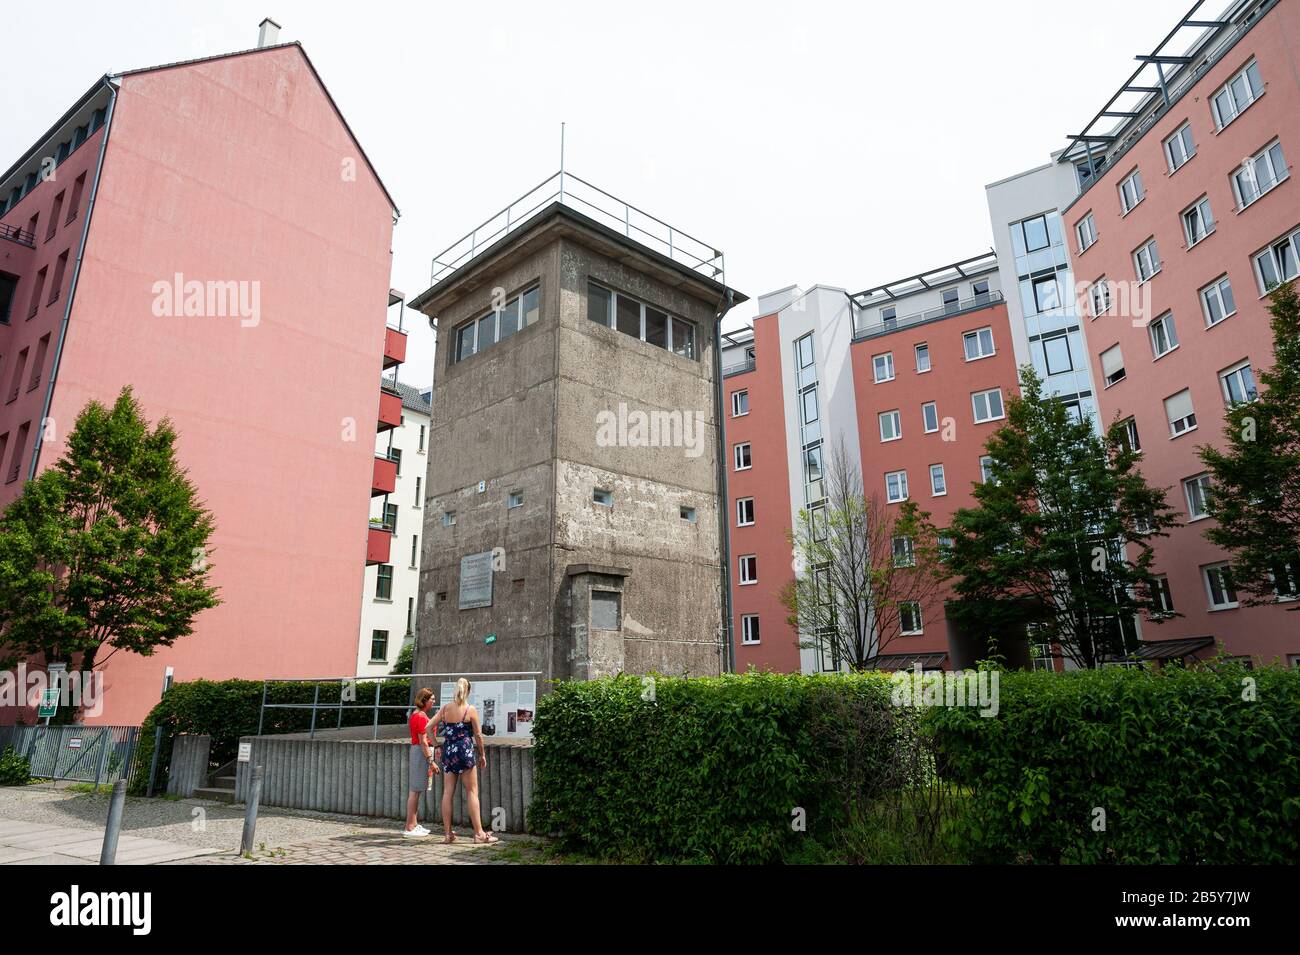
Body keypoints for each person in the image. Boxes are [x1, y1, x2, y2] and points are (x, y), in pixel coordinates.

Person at [429, 678, 499, 845]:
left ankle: (447, 834)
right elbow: (478, 735)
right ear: (468, 691)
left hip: (449, 751)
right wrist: (482, 754)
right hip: (465, 751)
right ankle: (479, 834)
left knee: (448, 792)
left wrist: (437, 745)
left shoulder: (445, 708)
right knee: (472, 792)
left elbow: (427, 728)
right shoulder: (470, 709)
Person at [404, 687, 439, 838]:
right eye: (432, 699)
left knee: (416, 790)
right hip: (420, 752)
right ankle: (410, 826)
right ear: (424, 701)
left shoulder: (416, 714)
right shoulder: (421, 717)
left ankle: (413, 823)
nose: (434, 701)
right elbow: (423, 741)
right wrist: (431, 761)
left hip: (418, 752)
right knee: (415, 790)